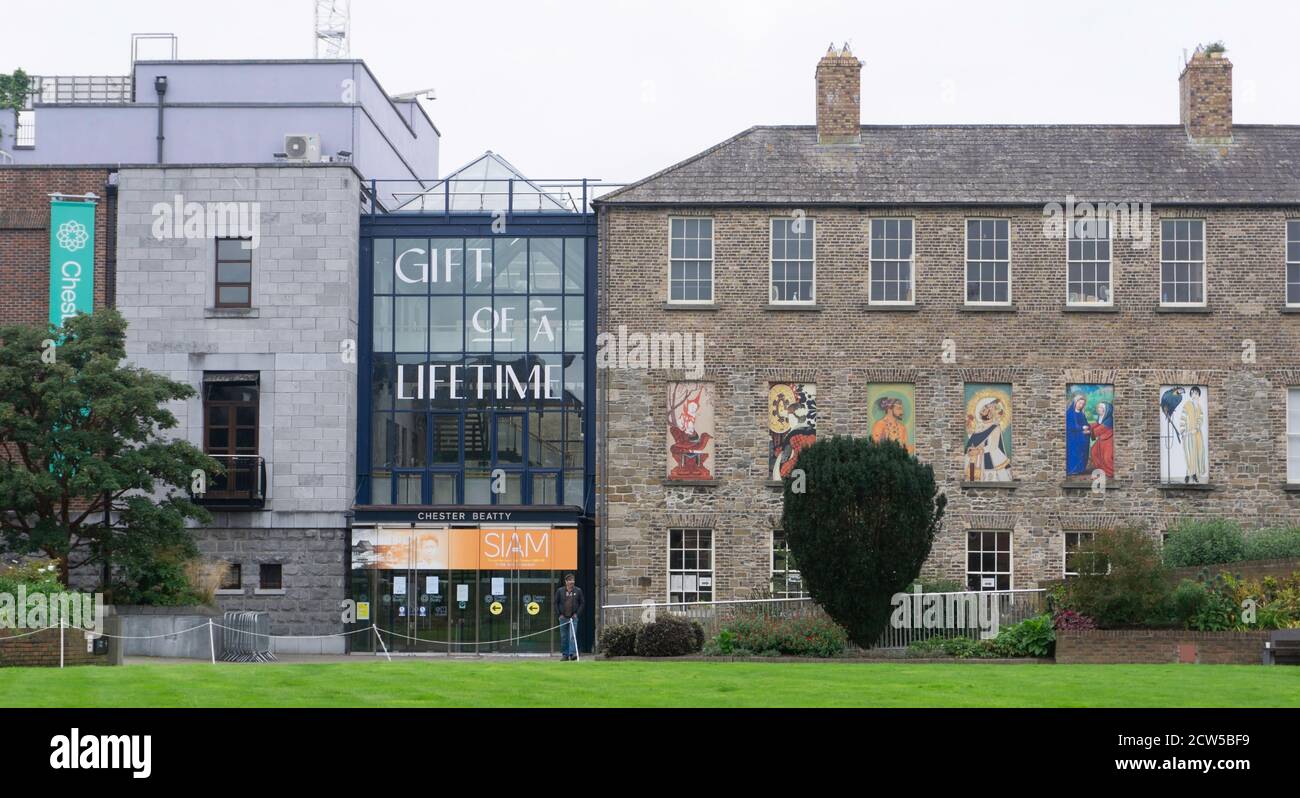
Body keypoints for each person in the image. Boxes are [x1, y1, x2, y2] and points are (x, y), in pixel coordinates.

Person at [555, 573, 584, 661]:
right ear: (566, 582)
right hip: (563, 618)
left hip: (573, 617)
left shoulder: (578, 591)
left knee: (572, 636)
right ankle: (565, 655)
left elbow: (582, 603)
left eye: (573, 580)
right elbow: (555, 603)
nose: (572, 582)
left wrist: (577, 614)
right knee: (564, 636)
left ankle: (572, 654)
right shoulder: (560, 591)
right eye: (570, 580)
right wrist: (559, 614)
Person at [1180, 387, 1206, 483]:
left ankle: (1194, 474)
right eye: (1192, 393)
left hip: (1197, 434)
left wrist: (1197, 428)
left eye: (1196, 393)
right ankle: (1188, 474)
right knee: (1189, 454)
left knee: (1197, 454)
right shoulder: (1187, 405)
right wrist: (1183, 431)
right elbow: (1183, 418)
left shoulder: (1199, 408)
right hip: (1188, 434)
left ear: (1198, 395)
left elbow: (1200, 420)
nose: (1194, 395)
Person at [1065, 393, 1091, 476]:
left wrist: (1088, 429)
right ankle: (1073, 470)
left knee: (1082, 454)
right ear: (1075, 402)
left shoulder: (1082, 414)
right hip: (1073, 438)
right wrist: (1081, 429)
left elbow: (1086, 424)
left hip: (1082, 437)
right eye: (1080, 403)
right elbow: (1069, 426)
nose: (1081, 405)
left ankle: (1080, 469)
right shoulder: (1069, 413)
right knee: (1074, 454)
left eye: (1083, 404)